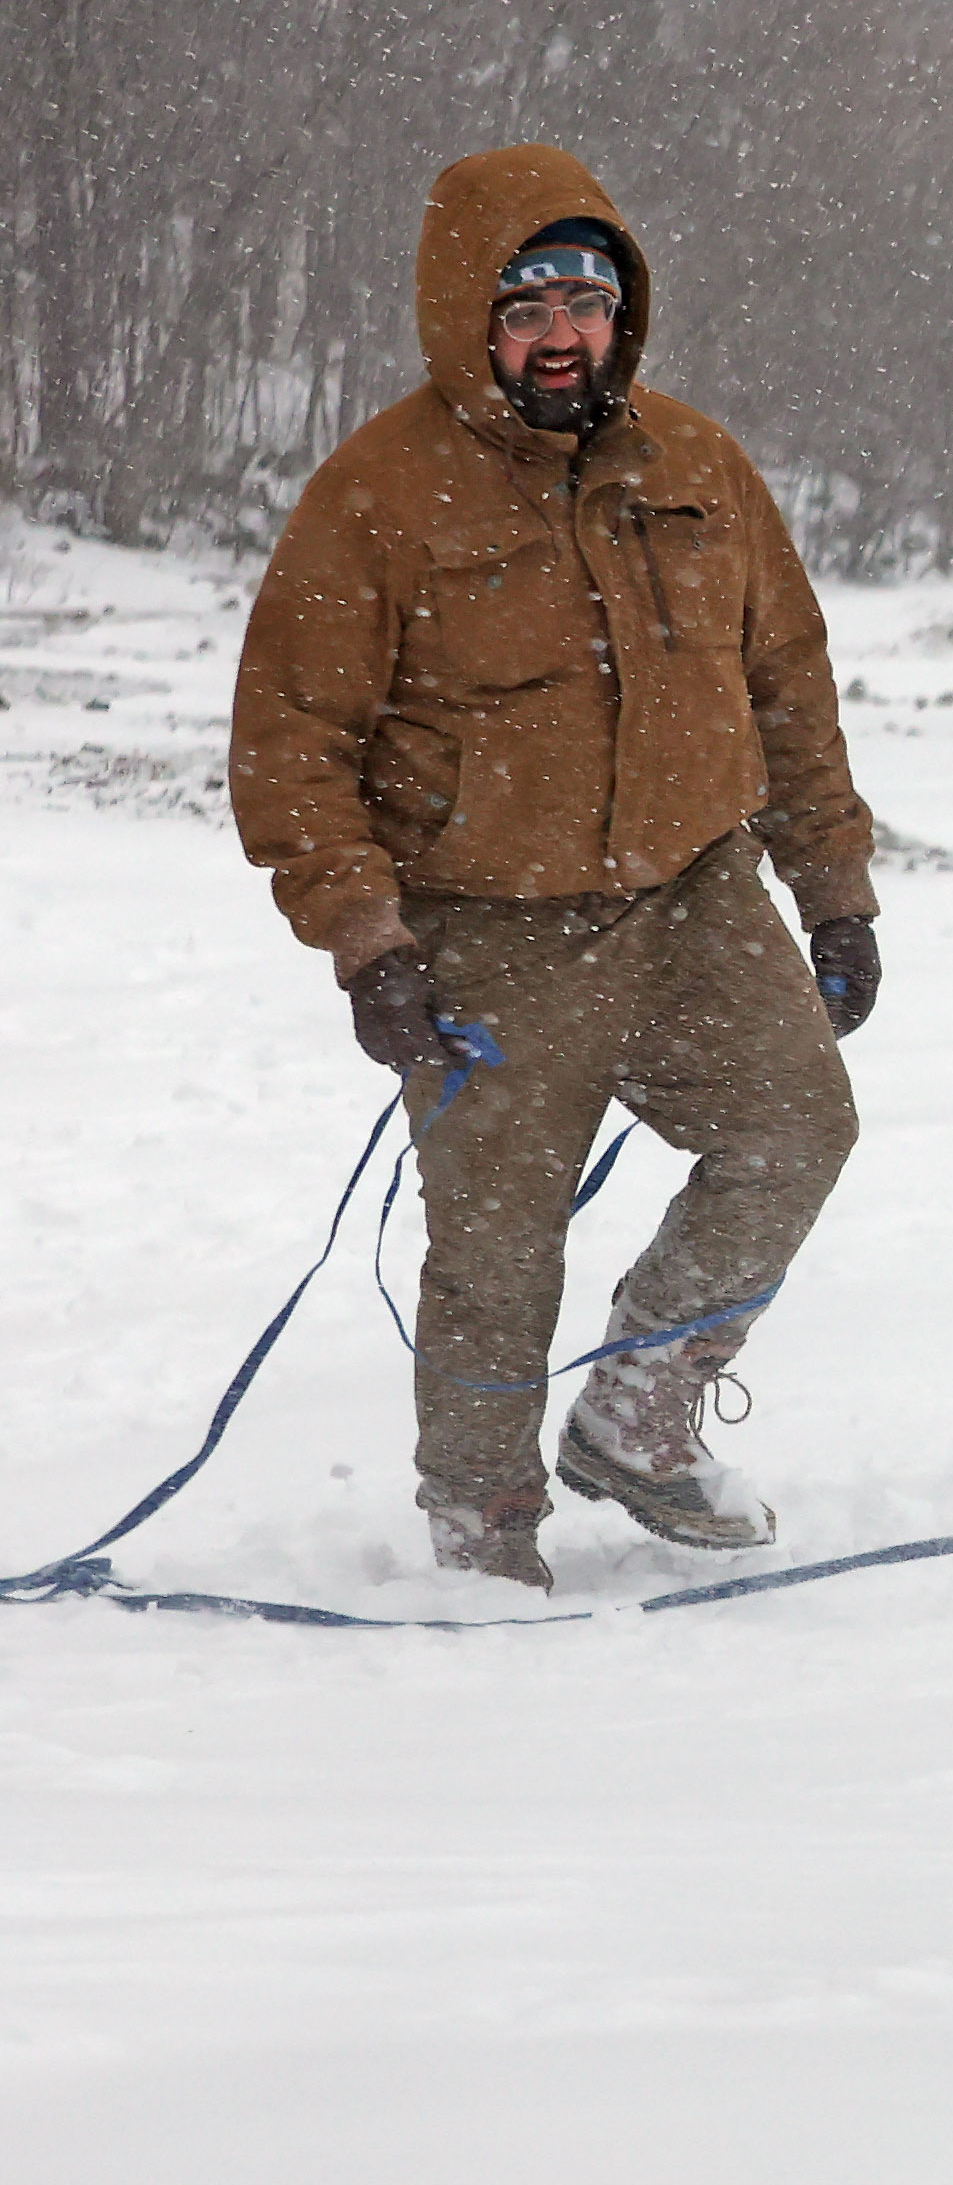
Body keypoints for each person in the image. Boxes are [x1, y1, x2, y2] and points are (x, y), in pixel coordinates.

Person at [227, 145, 886, 1587]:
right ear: (469, 316)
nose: (559, 332)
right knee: (496, 1253)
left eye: (585, 297)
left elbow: (787, 683)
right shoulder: (380, 492)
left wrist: (831, 886)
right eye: (525, 304)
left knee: (796, 1132)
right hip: (486, 930)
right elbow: (291, 738)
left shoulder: (698, 465)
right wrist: (365, 939)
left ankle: (642, 1417)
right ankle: (485, 1532)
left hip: (694, 891)